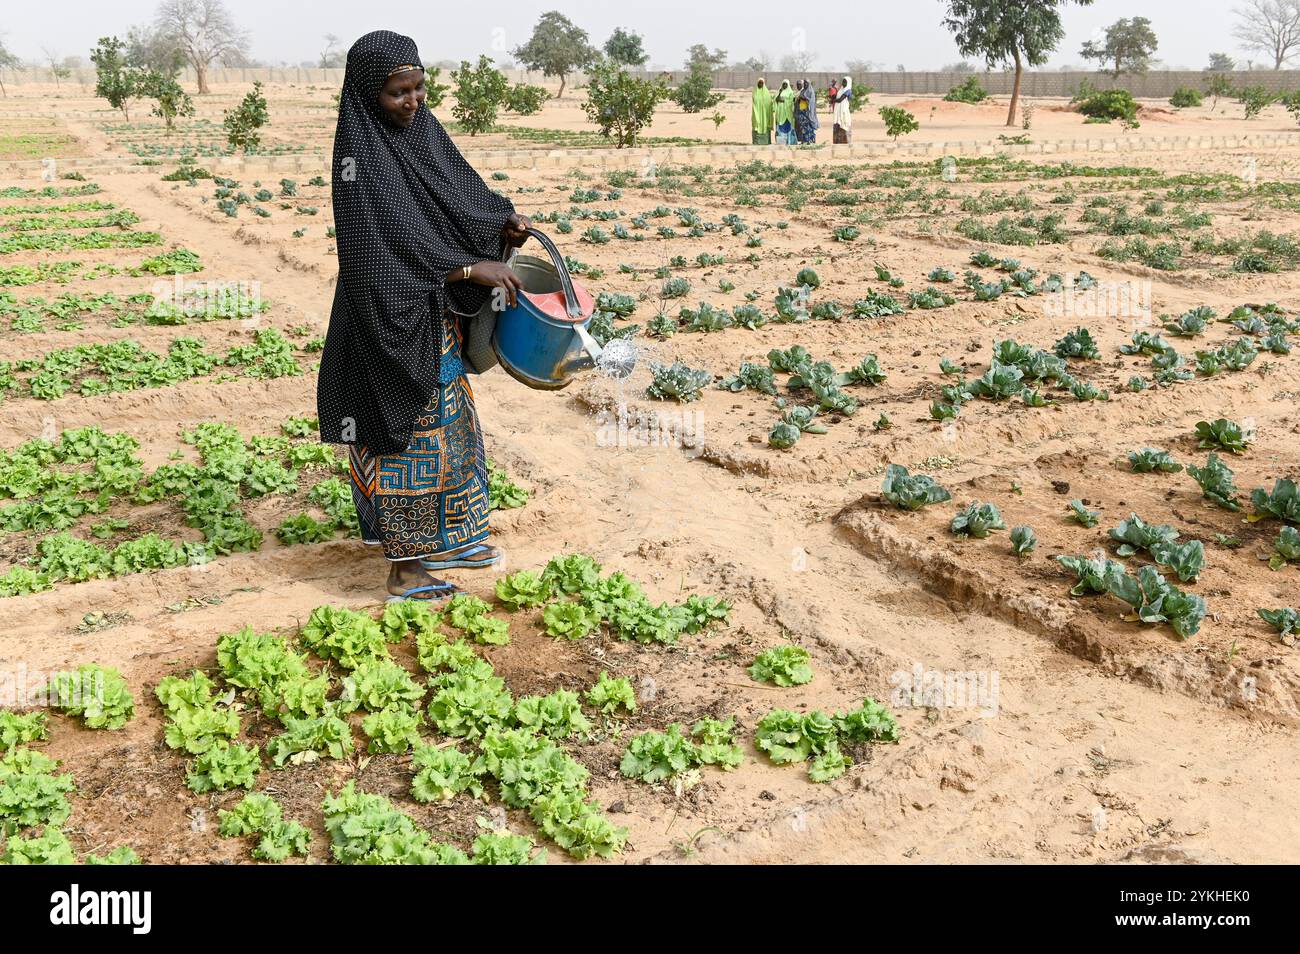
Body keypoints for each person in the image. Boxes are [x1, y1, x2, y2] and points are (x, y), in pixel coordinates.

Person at [317, 30, 531, 602]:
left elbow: (460, 196)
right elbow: (373, 256)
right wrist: (465, 272)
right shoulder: (356, 163)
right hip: (385, 317)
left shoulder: (421, 133)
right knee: (405, 438)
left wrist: (500, 226)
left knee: (453, 427)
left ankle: (453, 537)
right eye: (397, 92)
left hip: (432, 319)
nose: (413, 102)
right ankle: (406, 568)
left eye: (419, 88)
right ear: (367, 96)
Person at [795, 78, 819, 144]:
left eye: (806, 83)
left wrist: (803, 98)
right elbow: (799, 100)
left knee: (808, 127)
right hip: (801, 112)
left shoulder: (810, 91)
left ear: (809, 84)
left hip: (807, 112)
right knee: (803, 127)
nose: (805, 84)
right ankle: (804, 141)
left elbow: (810, 101)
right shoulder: (802, 91)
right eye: (804, 83)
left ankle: (810, 140)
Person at [751, 77, 773, 145]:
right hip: (757, 112)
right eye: (759, 82)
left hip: (765, 113)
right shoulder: (755, 91)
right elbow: (754, 102)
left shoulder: (767, 93)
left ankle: (766, 141)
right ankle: (756, 142)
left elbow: (769, 103)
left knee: (765, 124)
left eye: (761, 83)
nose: (760, 84)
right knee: (757, 124)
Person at [773, 80, 796, 145]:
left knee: (788, 127)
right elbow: (775, 100)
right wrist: (780, 93)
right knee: (780, 126)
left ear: (788, 85)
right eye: (783, 84)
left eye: (786, 84)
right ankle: (781, 142)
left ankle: (789, 141)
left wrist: (784, 101)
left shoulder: (790, 92)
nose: (784, 85)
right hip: (780, 113)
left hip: (788, 113)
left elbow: (791, 102)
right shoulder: (779, 91)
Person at [832, 76, 853, 144]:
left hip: (843, 109)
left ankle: (845, 141)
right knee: (837, 123)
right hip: (838, 109)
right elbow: (836, 96)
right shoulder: (841, 90)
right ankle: (837, 141)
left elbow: (840, 99)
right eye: (843, 81)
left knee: (844, 122)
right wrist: (833, 96)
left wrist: (833, 100)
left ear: (848, 83)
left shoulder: (848, 90)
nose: (843, 83)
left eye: (845, 81)